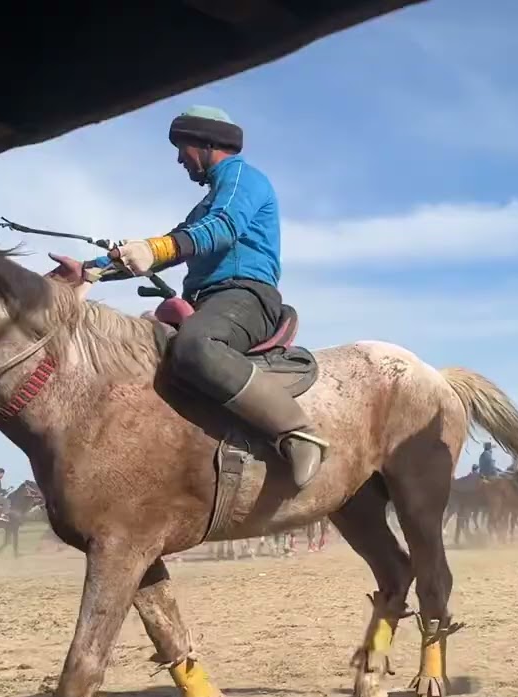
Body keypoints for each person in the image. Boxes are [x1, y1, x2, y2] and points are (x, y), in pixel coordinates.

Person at [46, 105, 328, 501]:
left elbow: (223, 228)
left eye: (183, 148)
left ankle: (297, 432)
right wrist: (89, 271)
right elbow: (166, 249)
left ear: (207, 143)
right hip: (208, 300)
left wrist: (159, 246)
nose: (180, 160)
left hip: (245, 296)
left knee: (195, 346)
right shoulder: (205, 204)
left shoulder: (242, 178)